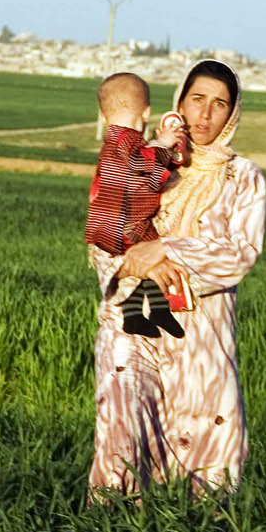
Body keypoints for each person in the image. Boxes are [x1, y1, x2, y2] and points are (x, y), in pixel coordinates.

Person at [88, 60, 266, 499]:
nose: (205, 115)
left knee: (209, 452)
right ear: (179, 103)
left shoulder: (243, 177)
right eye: (197, 100)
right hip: (131, 324)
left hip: (201, 335)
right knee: (120, 435)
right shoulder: (145, 160)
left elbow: (239, 253)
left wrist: (168, 249)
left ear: (233, 115)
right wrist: (142, 263)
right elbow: (103, 228)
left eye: (220, 105)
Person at [84, 72, 187, 338]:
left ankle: (145, 313)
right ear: (146, 113)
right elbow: (142, 167)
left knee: (142, 270)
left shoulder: (114, 142)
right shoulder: (126, 140)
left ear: (102, 117)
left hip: (112, 223)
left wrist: (159, 150)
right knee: (153, 259)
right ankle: (155, 310)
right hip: (127, 223)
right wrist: (164, 144)